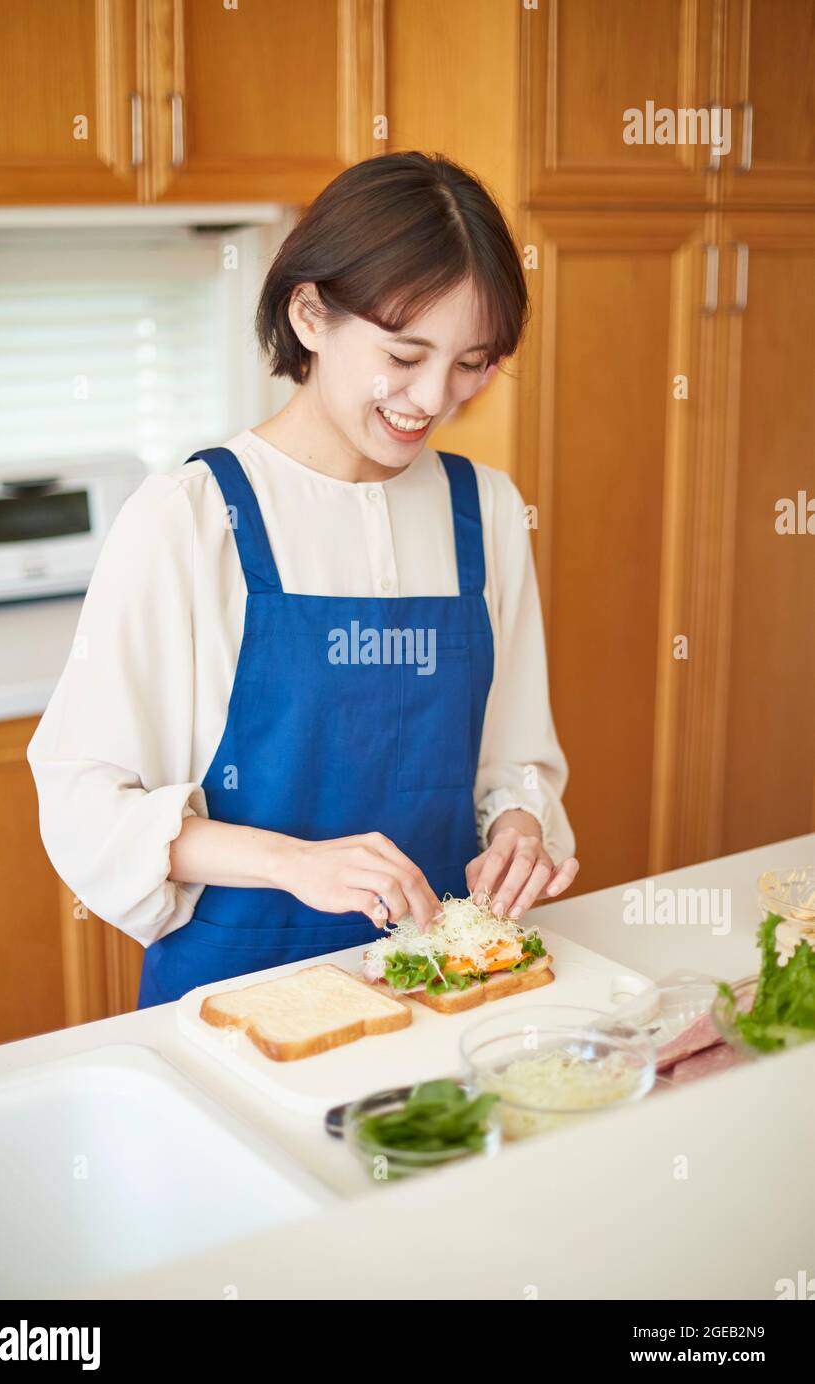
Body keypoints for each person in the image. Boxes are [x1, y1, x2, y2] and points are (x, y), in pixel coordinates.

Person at [28, 150, 579, 1009]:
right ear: (311, 314)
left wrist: (517, 824)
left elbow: (514, 761)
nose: (433, 398)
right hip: (235, 1000)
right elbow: (83, 799)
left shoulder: (490, 512)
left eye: (473, 362)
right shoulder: (191, 516)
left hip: (440, 988)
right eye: (405, 353)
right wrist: (295, 863)